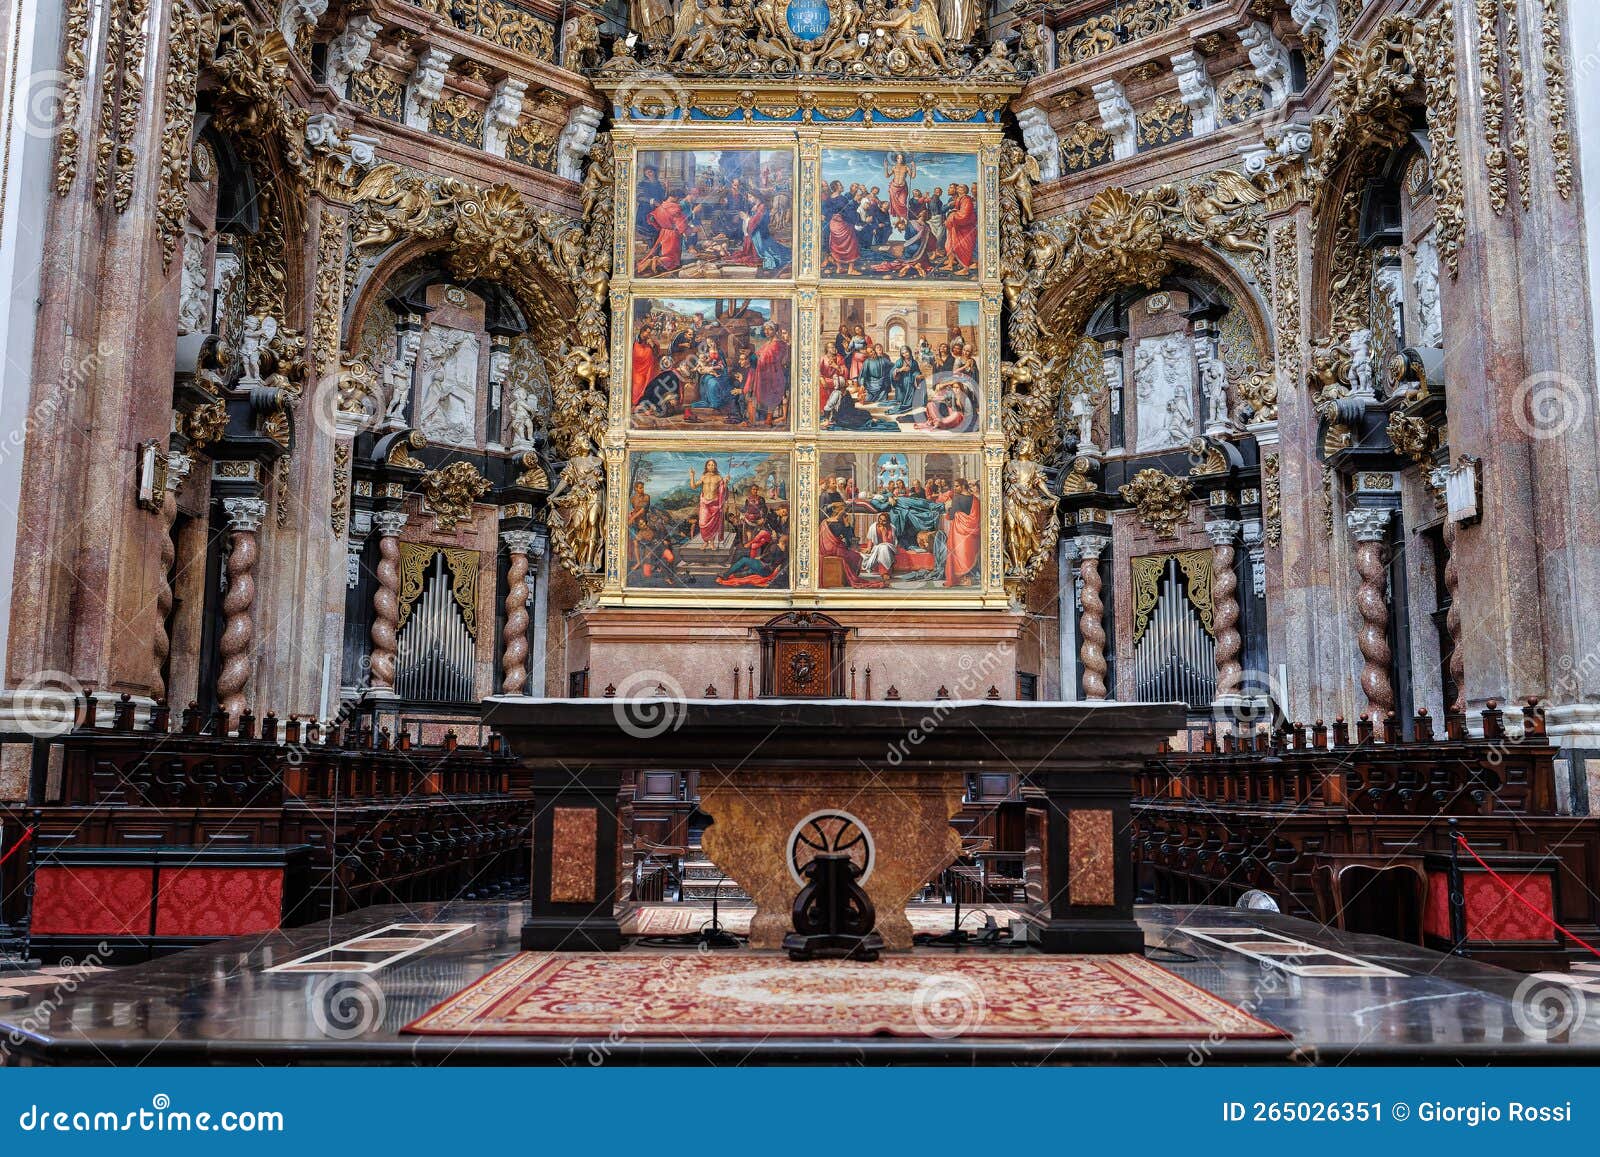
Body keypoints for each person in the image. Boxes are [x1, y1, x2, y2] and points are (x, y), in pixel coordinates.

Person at [819, 502, 887, 588]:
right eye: (844, 512)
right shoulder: (840, 524)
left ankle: (846, 576)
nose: (846, 514)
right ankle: (850, 578)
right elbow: (849, 540)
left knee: (852, 553)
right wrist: (847, 525)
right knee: (856, 556)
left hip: (824, 548)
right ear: (841, 513)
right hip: (834, 549)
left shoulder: (825, 522)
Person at [637, 192, 692, 276]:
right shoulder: (675, 208)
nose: (679, 202)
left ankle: (655, 261)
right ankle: (656, 261)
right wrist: (692, 230)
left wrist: (662, 227)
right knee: (672, 257)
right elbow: (682, 226)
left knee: (664, 252)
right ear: (675, 197)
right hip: (673, 235)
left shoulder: (660, 207)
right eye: (679, 199)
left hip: (663, 233)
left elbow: (652, 219)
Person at [943, 478, 981, 586]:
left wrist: (949, 510)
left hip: (959, 532)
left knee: (958, 554)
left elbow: (951, 516)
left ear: (963, 486)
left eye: (956, 486)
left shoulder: (957, 498)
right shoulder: (975, 499)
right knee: (968, 553)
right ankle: (967, 577)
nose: (955, 488)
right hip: (972, 533)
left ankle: (962, 578)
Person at [718, 533, 788, 587]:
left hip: (763, 567)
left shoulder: (774, 546)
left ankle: (726, 575)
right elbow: (778, 563)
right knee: (751, 570)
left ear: (781, 539)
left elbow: (767, 558)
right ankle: (737, 575)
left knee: (744, 560)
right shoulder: (785, 552)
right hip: (768, 572)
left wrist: (759, 558)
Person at [822, 180, 862, 274]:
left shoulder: (829, 199)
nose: (842, 186)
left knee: (836, 245)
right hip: (843, 225)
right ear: (836, 187)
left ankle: (839, 268)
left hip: (833, 225)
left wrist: (832, 216)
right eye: (840, 185)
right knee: (852, 244)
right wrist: (856, 202)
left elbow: (826, 212)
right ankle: (851, 269)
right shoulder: (842, 199)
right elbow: (848, 212)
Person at [688, 459, 728, 545]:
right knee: (702, 523)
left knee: (712, 525)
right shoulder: (703, 477)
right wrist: (692, 476)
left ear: (715, 466)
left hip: (714, 504)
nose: (711, 466)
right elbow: (693, 486)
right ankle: (705, 541)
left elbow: (723, 490)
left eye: (713, 465)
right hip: (704, 503)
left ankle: (712, 542)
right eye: (709, 465)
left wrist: (726, 482)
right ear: (706, 466)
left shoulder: (718, 477)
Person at [943, 182, 978, 274]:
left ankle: (965, 269)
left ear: (964, 190)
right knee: (951, 245)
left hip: (965, 228)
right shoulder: (960, 199)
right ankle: (950, 265)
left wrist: (953, 216)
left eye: (960, 188)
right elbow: (958, 211)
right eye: (957, 188)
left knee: (964, 248)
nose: (957, 189)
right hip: (957, 227)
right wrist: (953, 213)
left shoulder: (966, 199)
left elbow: (964, 215)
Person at [631, 323, 659, 407]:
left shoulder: (650, 340)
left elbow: (656, 353)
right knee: (638, 385)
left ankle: (644, 402)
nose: (649, 334)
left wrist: (652, 345)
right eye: (648, 332)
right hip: (637, 368)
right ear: (642, 332)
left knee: (648, 384)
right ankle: (635, 402)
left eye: (650, 333)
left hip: (648, 368)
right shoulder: (634, 340)